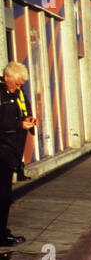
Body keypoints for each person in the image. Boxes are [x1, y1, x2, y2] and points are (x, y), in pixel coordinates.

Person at [0, 61, 37, 247]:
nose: (19, 87)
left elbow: (21, 112)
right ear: (6, 77)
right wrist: (19, 125)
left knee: (5, 195)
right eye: (16, 83)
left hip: (10, 151)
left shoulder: (16, 94)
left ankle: (2, 231)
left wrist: (28, 120)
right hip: (2, 152)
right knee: (2, 196)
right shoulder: (1, 95)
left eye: (21, 84)